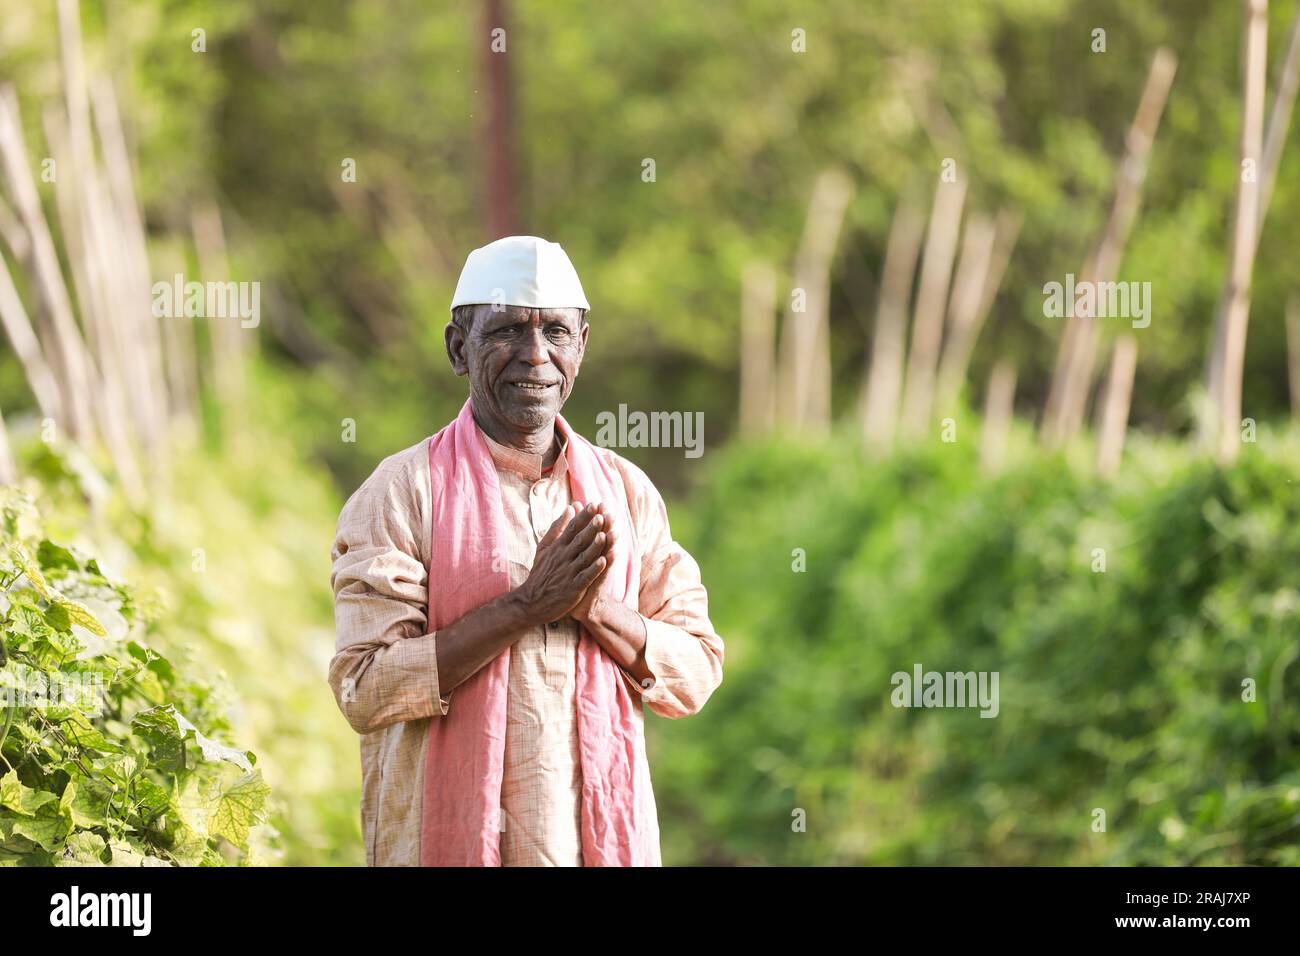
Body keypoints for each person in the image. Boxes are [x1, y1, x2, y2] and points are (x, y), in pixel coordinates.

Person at [328, 235, 724, 866]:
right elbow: (365, 688)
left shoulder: (625, 491)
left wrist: (595, 610)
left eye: (556, 333)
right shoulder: (402, 492)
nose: (535, 356)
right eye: (508, 330)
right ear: (459, 349)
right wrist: (523, 608)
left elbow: (696, 672)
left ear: (582, 346)